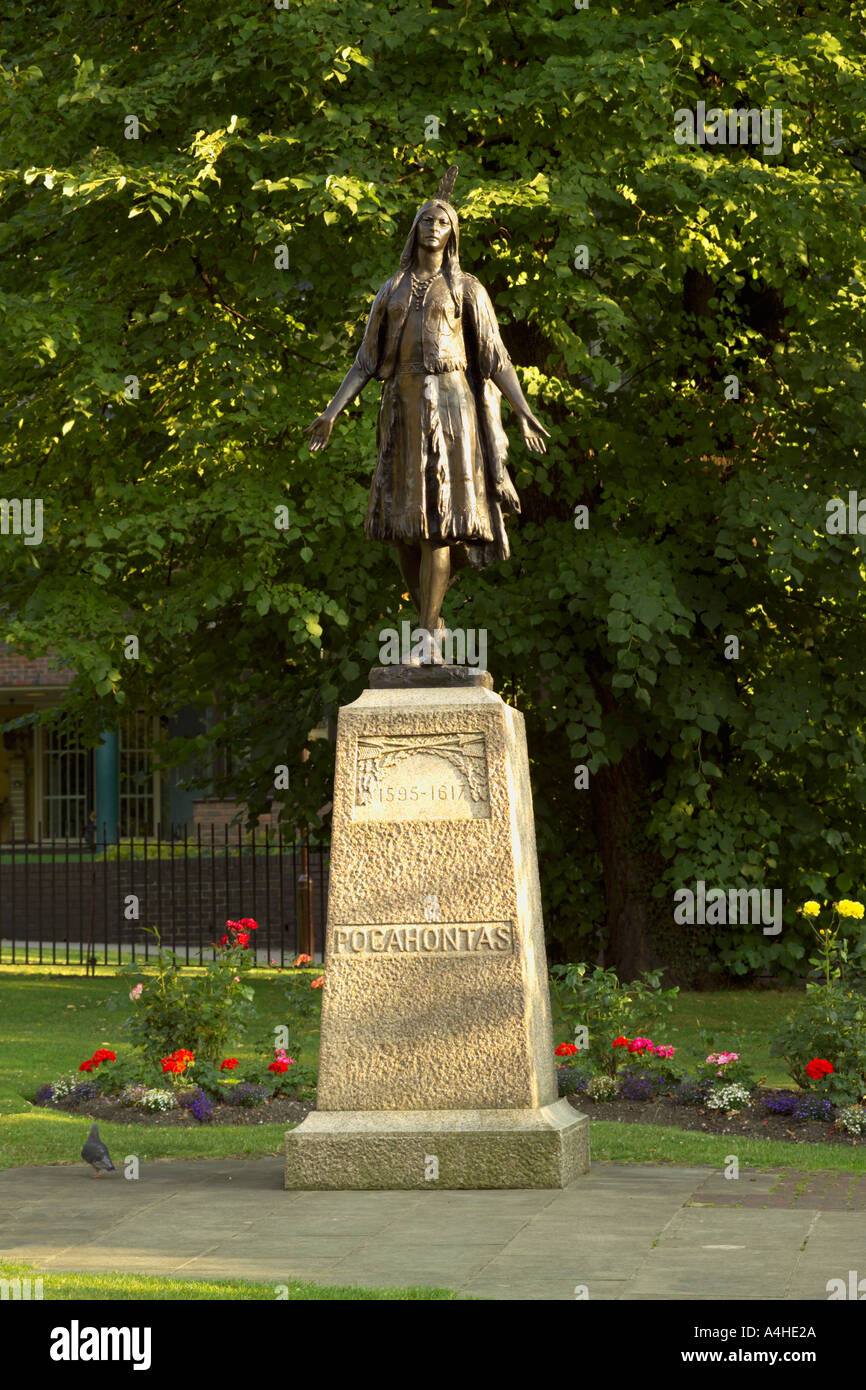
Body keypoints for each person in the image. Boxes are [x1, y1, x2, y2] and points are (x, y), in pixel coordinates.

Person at [306, 166, 549, 659]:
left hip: (453, 404)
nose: (433, 227)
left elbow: (497, 358)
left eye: (442, 221)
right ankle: (431, 623)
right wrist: (331, 412)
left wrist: (522, 412)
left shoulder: (467, 289)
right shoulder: (392, 289)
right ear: (415, 230)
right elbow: (365, 361)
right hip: (401, 407)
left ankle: (422, 637)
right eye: (425, 220)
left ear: (452, 234)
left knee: (438, 524)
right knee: (401, 528)